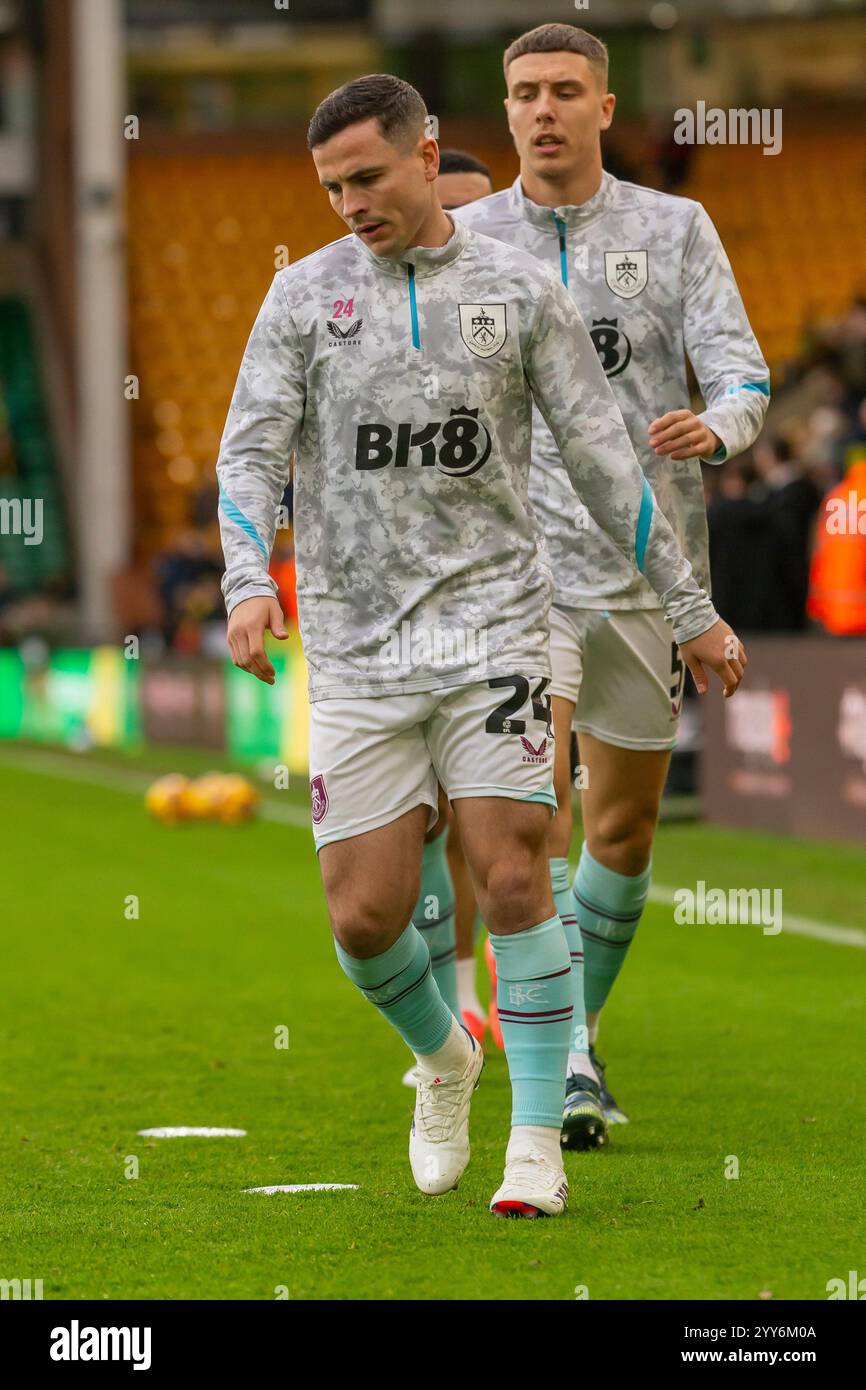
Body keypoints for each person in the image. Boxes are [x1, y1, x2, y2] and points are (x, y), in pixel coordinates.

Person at [217, 73, 744, 1218]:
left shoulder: (513, 291)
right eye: (330, 187)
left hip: (496, 625)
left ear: (426, 154)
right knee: (363, 919)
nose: (349, 202)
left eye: (366, 176)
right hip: (358, 647)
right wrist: (248, 583)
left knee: (515, 870)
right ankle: (446, 1058)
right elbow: (250, 451)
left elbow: (609, 467)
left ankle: (536, 1141)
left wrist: (689, 607)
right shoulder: (303, 298)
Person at [454, 23, 768, 1147]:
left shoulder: (671, 226)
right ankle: (567, 1060)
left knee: (622, 833)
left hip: (646, 564)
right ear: (506, 112)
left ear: (602, 106)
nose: (542, 110)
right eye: (524, 93)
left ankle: (571, 1022)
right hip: (509, 574)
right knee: (525, 825)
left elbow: (741, 368)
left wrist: (716, 426)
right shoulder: (464, 237)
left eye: (563, 92)